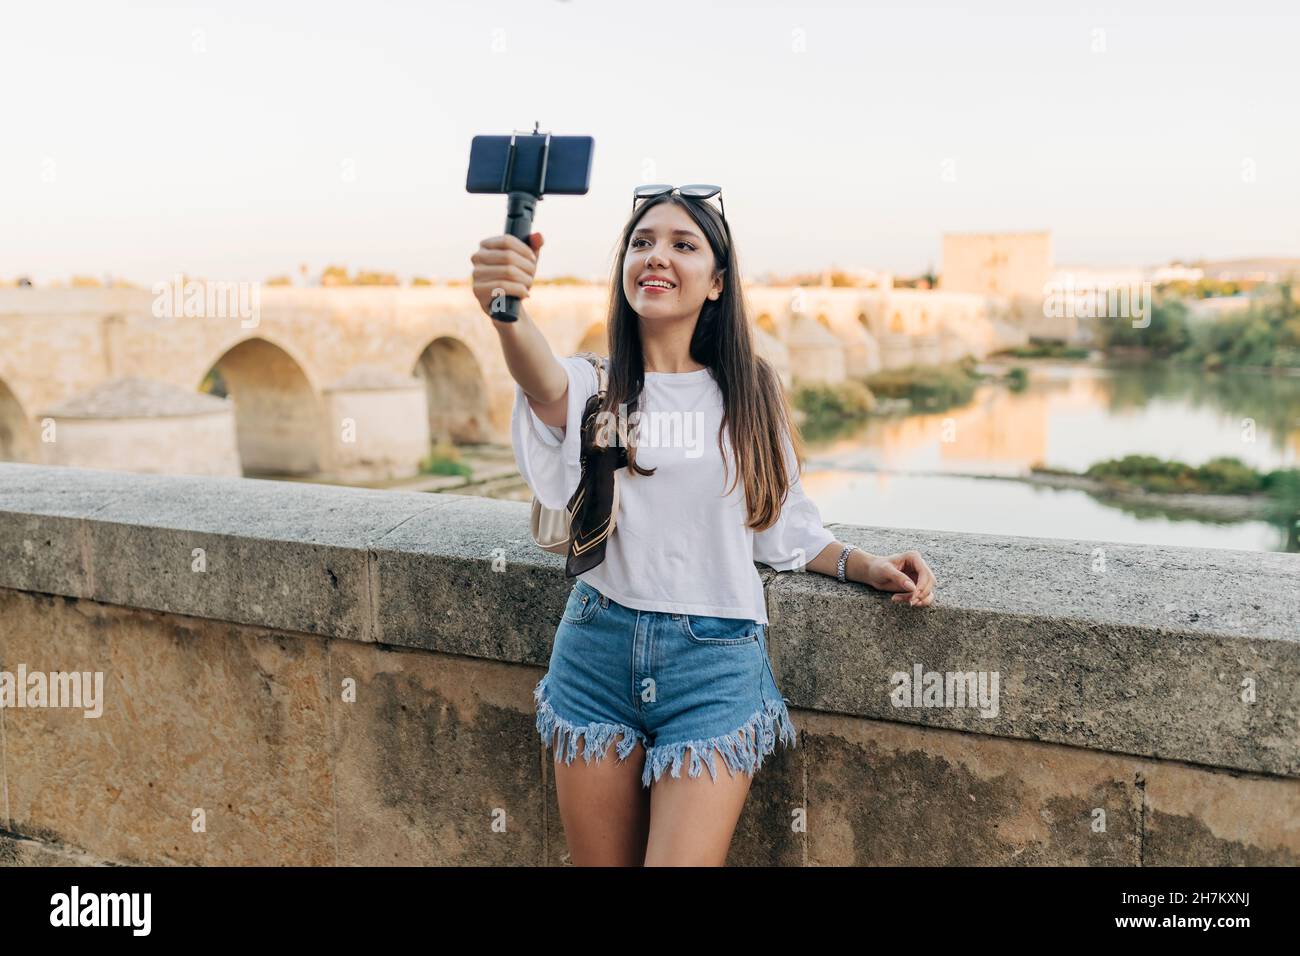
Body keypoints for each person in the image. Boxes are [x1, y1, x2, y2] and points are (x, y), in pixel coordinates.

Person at [469, 185, 937, 866]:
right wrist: (506, 314)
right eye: (642, 242)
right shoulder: (600, 388)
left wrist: (864, 565)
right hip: (596, 647)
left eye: (682, 245)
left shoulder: (747, 389)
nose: (657, 256)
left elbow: (780, 524)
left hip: (713, 665)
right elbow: (541, 384)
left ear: (717, 283)